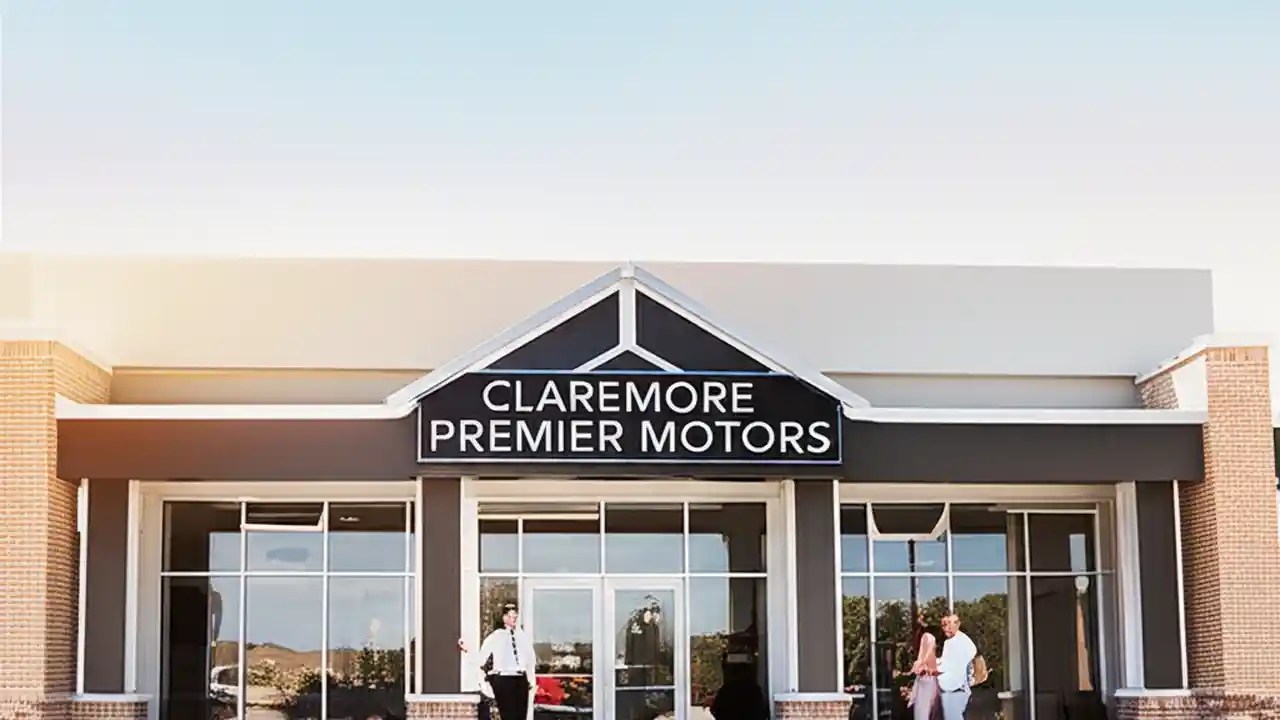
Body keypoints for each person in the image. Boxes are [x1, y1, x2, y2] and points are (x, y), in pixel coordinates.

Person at [473, 603, 535, 720]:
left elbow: (530, 660)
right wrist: (484, 684)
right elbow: (480, 660)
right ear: (504, 618)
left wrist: (531, 680)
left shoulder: (523, 637)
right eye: (510, 616)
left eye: (515, 617)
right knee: (508, 714)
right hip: (504, 679)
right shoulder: (495, 637)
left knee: (521, 715)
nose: (513, 619)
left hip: (520, 679)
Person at [936, 614, 977, 720]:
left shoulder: (961, 642)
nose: (946, 628)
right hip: (956, 689)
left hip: (955, 690)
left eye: (949, 624)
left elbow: (948, 665)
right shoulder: (950, 642)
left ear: (958, 624)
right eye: (944, 625)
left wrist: (933, 665)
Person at [908, 622, 942, 720]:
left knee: (925, 710)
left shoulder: (927, 638)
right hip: (927, 680)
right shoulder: (928, 637)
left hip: (926, 680)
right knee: (927, 710)